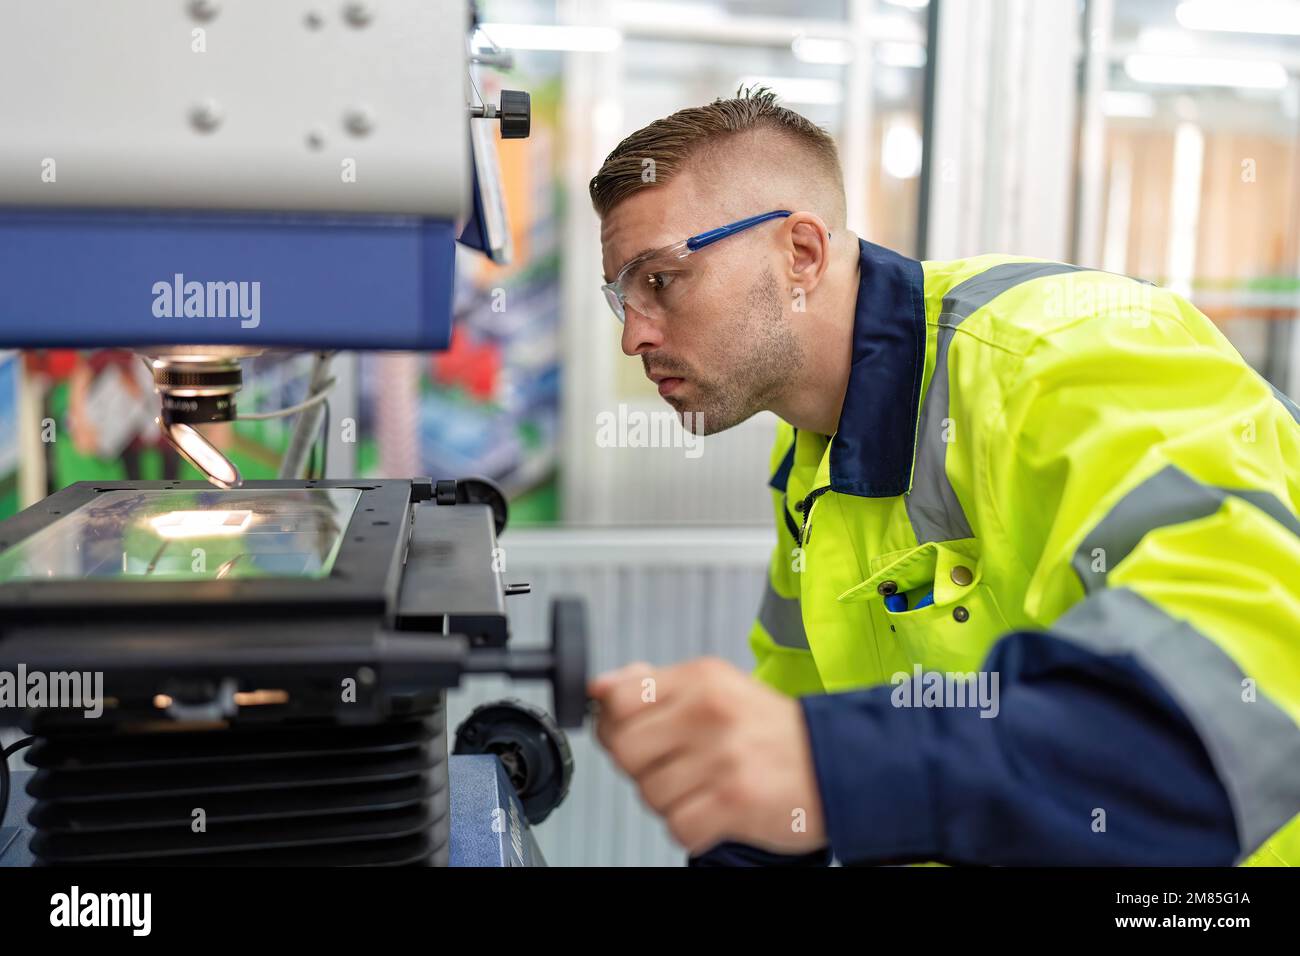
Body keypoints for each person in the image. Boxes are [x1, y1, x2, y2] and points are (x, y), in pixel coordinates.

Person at [584, 88, 1300, 866]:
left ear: (801, 254)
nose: (633, 336)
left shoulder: (1068, 355)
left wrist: (838, 769)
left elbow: (1242, 703)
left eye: (660, 280)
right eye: (621, 295)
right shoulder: (809, 462)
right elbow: (791, 729)